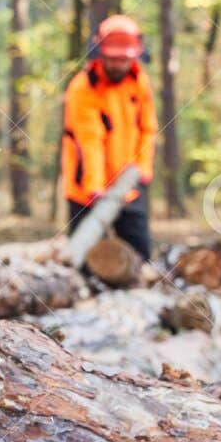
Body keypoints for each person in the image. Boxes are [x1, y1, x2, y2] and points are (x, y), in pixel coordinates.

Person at [60, 14, 158, 262]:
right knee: (85, 263)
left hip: (128, 187)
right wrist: (94, 186)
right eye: (113, 60)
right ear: (99, 53)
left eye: (124, 60)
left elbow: (148, 127)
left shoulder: (139, 82)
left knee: (140, 257)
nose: (118, 66)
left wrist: (143, 167)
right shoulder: (83, 88)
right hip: (87, 190)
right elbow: (88, 140)